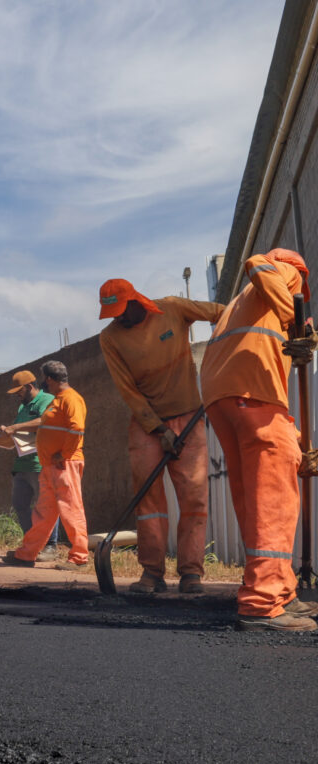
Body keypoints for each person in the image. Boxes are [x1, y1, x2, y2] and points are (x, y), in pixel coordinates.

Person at [200, 249, 317, 632]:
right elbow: (256, 261)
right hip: (251, 394)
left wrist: (297, 442)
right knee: (273, 498)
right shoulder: (287, 273)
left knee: (253, 497)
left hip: (224, 398)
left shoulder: (242, 306)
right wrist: (293, 320)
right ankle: (264, 601)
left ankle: (280, 591)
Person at [98, 278, 225, 594]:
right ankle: (152, 574)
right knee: (149, 502)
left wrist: (230, 341)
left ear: (134, 300)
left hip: (189, 416)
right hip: (147, 425)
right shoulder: (110, 338)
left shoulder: (172, 308)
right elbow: (128, 390)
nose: (117, 317)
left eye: (120, 310)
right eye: (111, 312)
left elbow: (223, 312)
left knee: (194, 498)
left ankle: (191, 573)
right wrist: (159, 429)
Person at [2, 360, 88, 568]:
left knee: (71, 509)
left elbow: (77, 429)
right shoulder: (57, 400)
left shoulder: (71, 398)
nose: (44, 383)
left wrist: (63, 454)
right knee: (42, 513)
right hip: (51, 466)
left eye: (44, 379)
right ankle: (26, 554)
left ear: (49, 379)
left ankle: (79, 558)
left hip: (64, 464)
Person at [5, 370, 60, 561]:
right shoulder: (23, 407)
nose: (17, 396)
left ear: (29, 387)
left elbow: (44, 420)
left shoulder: (47, 400)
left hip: (40, 462)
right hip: (22, 464)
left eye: (19, 392)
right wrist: (6, 435)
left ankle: (50, 547)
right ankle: (32, 544)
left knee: (47, 505)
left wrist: (15, 428)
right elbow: (19, 429)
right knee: (20, 504)